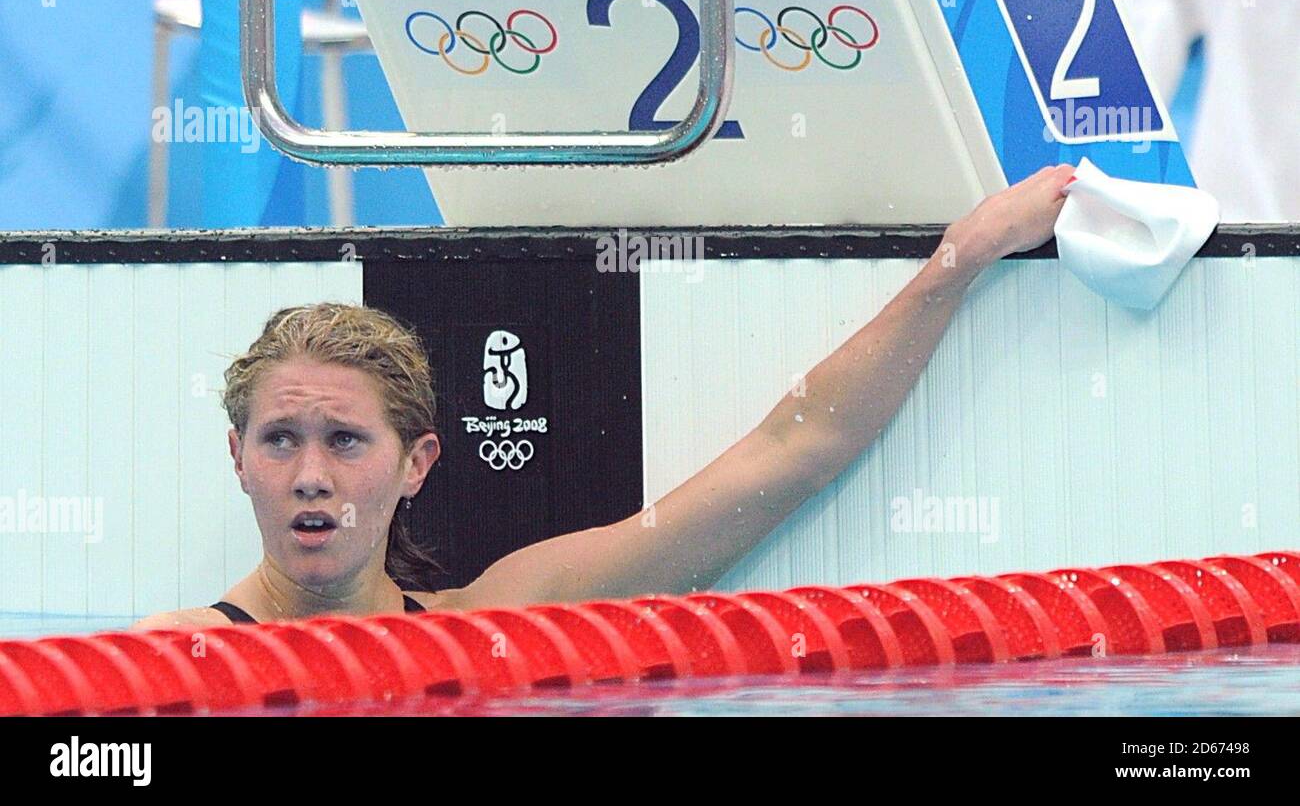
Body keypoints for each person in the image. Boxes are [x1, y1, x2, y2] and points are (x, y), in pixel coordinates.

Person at [134, 164, 1075, 628]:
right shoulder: (158, 663)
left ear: (417, 462)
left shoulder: (499, 623)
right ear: (237, 459)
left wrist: (963, 256)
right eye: (279, 439)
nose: (309, 474)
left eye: (345, 440)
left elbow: (794, 450)